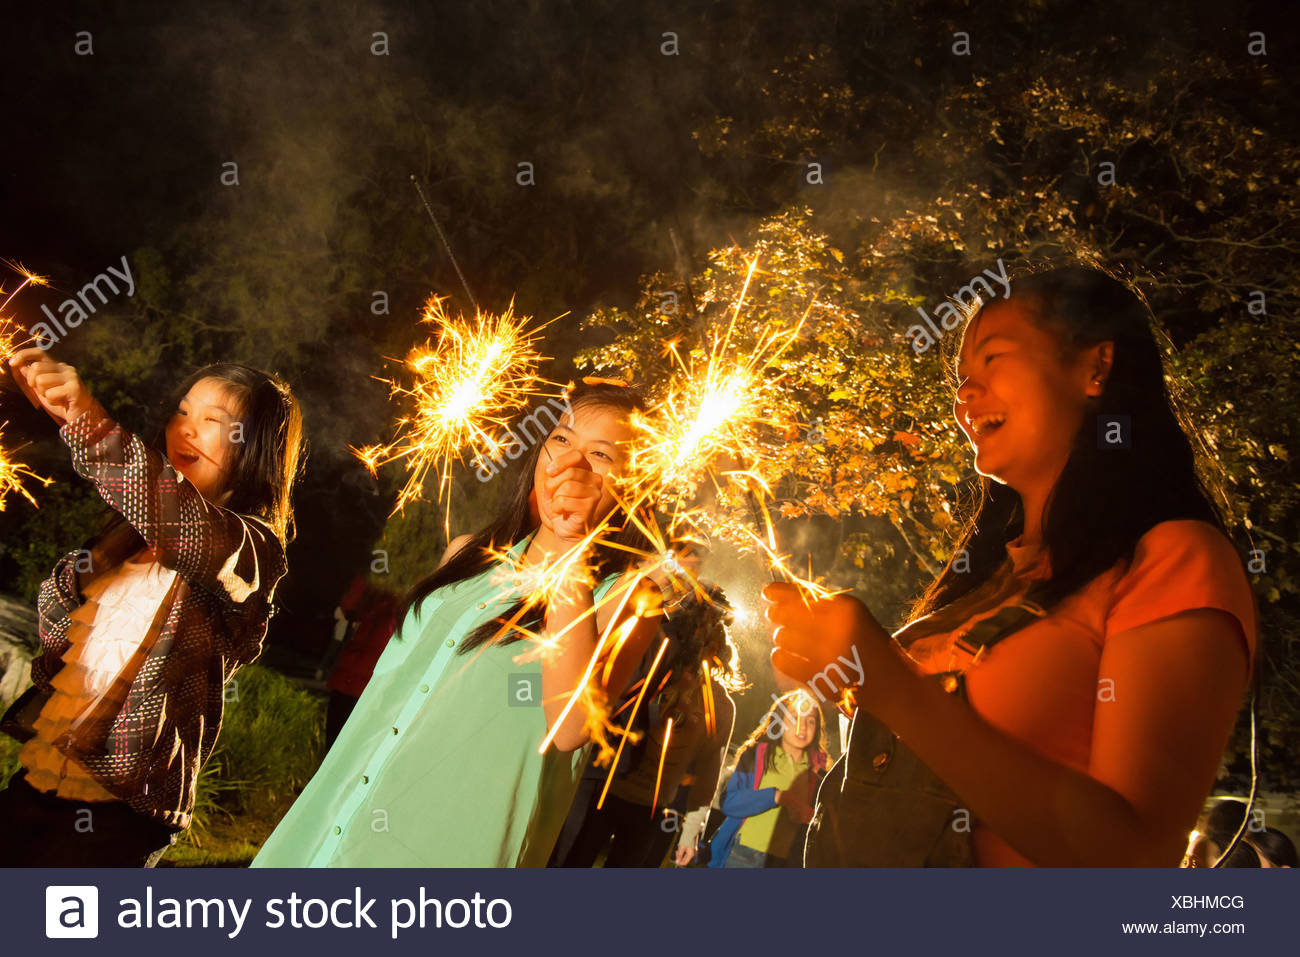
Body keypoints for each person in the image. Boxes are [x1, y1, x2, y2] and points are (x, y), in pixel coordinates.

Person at [766, 265, 1258, 867]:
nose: (963, 397)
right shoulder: (988, 586)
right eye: (961, 379)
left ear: (1096, 367)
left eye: (993, 359)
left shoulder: (1176, 560)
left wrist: (893, 687)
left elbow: (1133, 856)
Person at [252, 382, 664, 867]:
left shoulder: (626, 598)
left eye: (601, 454)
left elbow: (571, 724)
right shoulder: (468, 555)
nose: (571, 463)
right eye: (561, 439)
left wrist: (573, 548)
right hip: (337, 819)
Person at [0, 351, 303, 866]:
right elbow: (62, 637)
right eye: (182, 412)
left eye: (213, 422)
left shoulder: (249, 550)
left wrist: (87, 422)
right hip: (41, 778)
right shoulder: (128, 536)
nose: (186, 430)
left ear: (255, 450)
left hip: (121, 806)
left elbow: (179, 518)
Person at [553, 583, 739, 867]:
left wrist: (689, 833)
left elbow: (707, 775)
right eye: (699, 622)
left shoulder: (720, 704)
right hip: (604, 786)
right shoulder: (655, 655)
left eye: (710, 626)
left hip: (652, 812)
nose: (702, 633)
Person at [706, 691, 829, 868]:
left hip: (785, 863)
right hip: (742, 854)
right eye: (795, 718)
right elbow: (729, 802)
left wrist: (810, 818)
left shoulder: (819, 774)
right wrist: (775, 797)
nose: (802, 727)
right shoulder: (755, 756)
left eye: (811, 721)